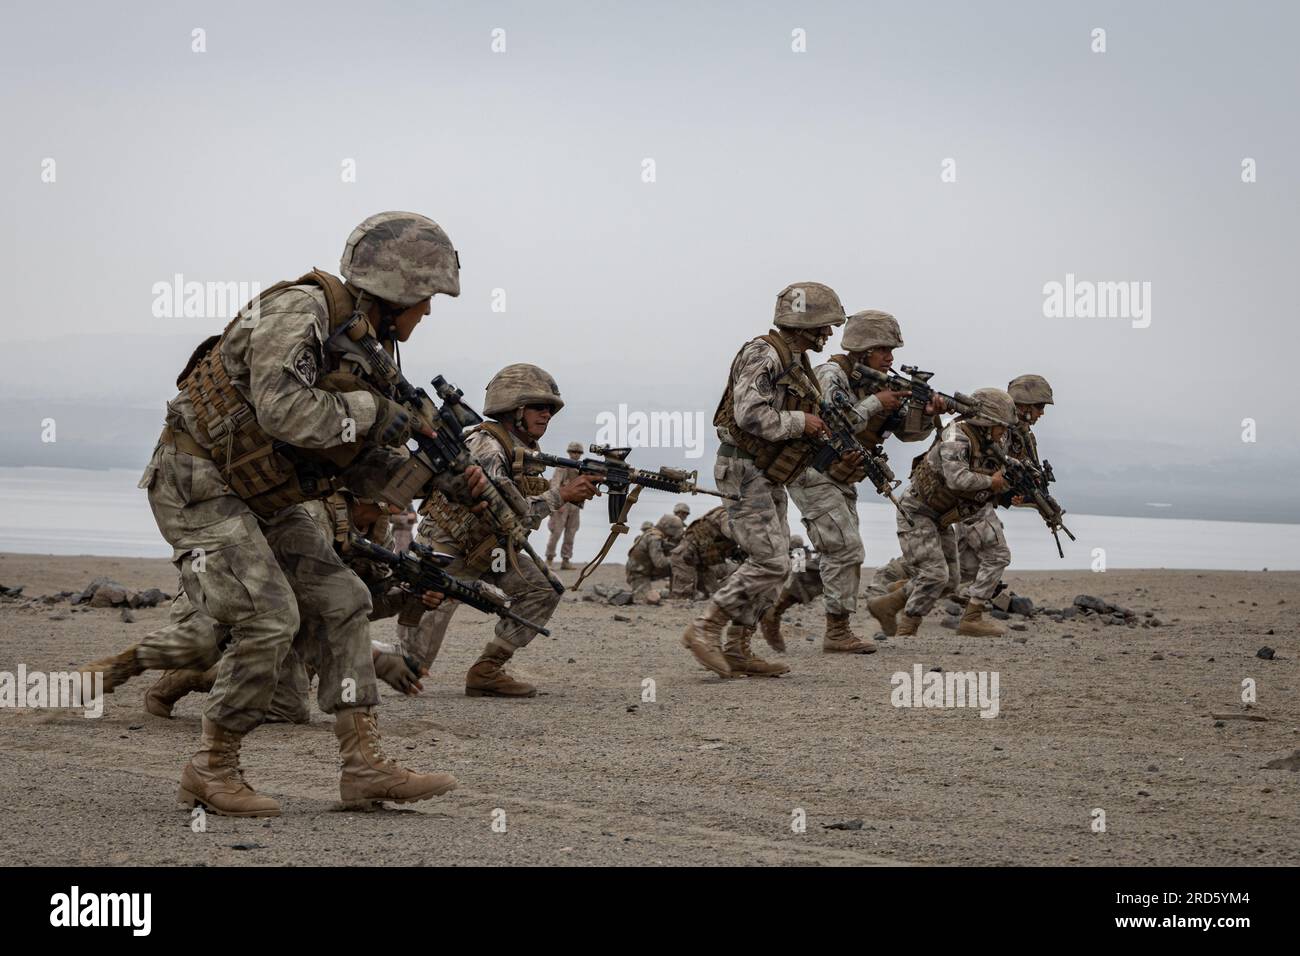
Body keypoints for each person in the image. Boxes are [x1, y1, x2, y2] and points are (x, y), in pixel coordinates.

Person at [109, 212, 468, 816]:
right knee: (270, 615)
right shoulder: (298, 312)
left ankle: (363, 766)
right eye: (425, 297)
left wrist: (432, 475)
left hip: (268, 492)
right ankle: (212, 766)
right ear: (396, 289)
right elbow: (285, 413)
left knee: (344, 598)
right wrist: (376, 413)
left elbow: (351, 468)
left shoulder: (359, 351)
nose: (427, 313)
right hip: (198, 482)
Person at [681, 281, 850, 679]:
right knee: (771, 561)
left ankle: (739, 647)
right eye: (824, 324)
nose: (829, 332)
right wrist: (801, 422)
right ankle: (705, 628)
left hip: (766, 471)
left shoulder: (795, 359)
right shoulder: (765, 353)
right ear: (803, 323)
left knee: (778, 564)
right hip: (743, 468)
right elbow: (748, 414)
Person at [399, 364, 598, 697]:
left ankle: (487, 670)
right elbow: (508, 515)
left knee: (543, 589)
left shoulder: (519, 451)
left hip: (488, 551)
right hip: (447, 552)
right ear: (515, 409)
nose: (547, 415)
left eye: (550, 408)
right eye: (538, 407)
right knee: (409, 668)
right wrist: (561, 495)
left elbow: (517, 511)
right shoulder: (488, 448)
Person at [786, 310, 939, 652]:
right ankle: (837, 632)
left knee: (836, 551)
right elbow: (830, 423)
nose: (890, 357)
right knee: (846, 548)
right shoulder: (830, 374)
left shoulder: (877, 383)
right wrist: (874, 403)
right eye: (883, 349)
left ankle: (781, 605)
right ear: (862, 348)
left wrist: (927, 414)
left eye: (891, 350)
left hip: (841, 477)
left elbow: (906, 434)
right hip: (811, 472)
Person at [872, 389, 1018, 638]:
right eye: (1001, 426)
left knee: (951, 580)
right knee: (935, 575)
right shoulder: (955, 436)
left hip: (940, 517)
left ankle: (888, 604)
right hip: (916, 512)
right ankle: (907, 628)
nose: (1004, 432)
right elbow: (956, 479)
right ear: (986, 422)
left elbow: (996, 468)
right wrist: (990, 482)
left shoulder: (988, 442)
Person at [956, 374, 1053, 601]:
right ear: (1023, 405)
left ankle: (903, 594)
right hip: (969, 497)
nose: (1042, 413)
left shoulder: (1023, 435)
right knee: (994, 555)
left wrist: (1018, 496)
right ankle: (973, 611)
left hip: (978, 498)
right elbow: (986, 467)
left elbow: (1016, 474)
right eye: (1038, 406)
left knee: (961, 565)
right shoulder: (997, 428)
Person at [668, 506, 742, 600]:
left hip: (702, 562)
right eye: (682, 513)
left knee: (712, 595)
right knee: (683, 597)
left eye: (686, 513)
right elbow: (733, 534)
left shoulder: (733, 518)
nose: (684, 515)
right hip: (686, 557)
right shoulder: (725, 515)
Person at [546, 441, 586, 569]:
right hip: (563, 503)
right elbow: (555, 485)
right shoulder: (563, 466)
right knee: (556, 532)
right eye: (574, 452)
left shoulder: (581, 468)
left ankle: (566, 559)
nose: (576, 455)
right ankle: (549, 559)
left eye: (578, 452)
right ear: (569, 452)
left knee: (571, 533)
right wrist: (557, 503)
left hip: (575, 505)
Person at [625, 514, 683, 599]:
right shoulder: (654, 538)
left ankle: (675, 591)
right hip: (638, 574)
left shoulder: (653, 533)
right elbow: (660, 563)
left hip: (644, 570)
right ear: (668, 527)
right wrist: (677, 558)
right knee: (645, 597)